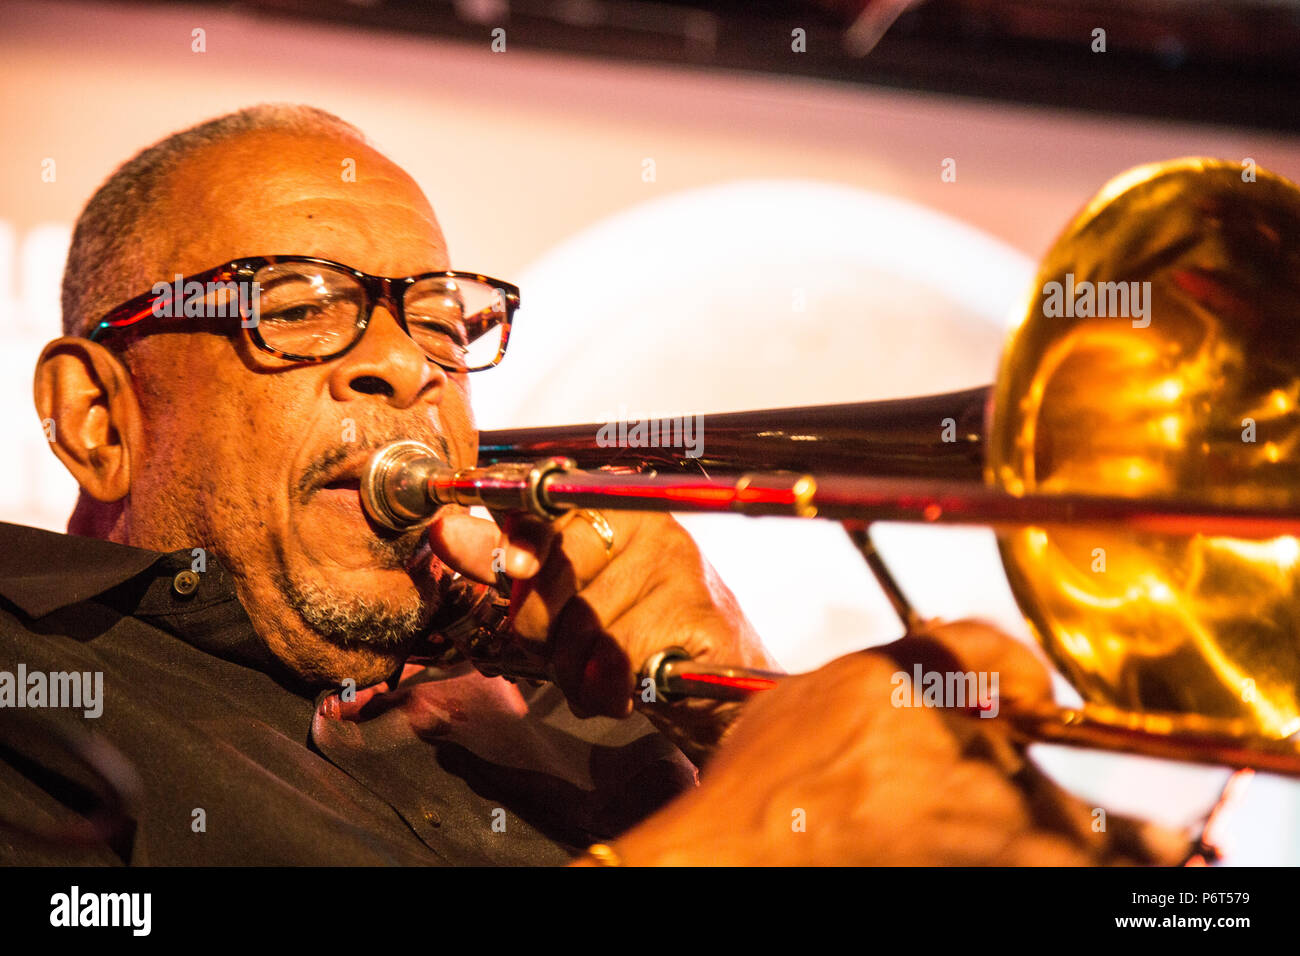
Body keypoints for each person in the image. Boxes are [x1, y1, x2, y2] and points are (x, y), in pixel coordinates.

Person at [0, 104, 1176, 865]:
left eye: (438, 318)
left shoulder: (582, 698)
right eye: (298, 306)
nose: (407, 360)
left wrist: (739, 717)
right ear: (97, 415)